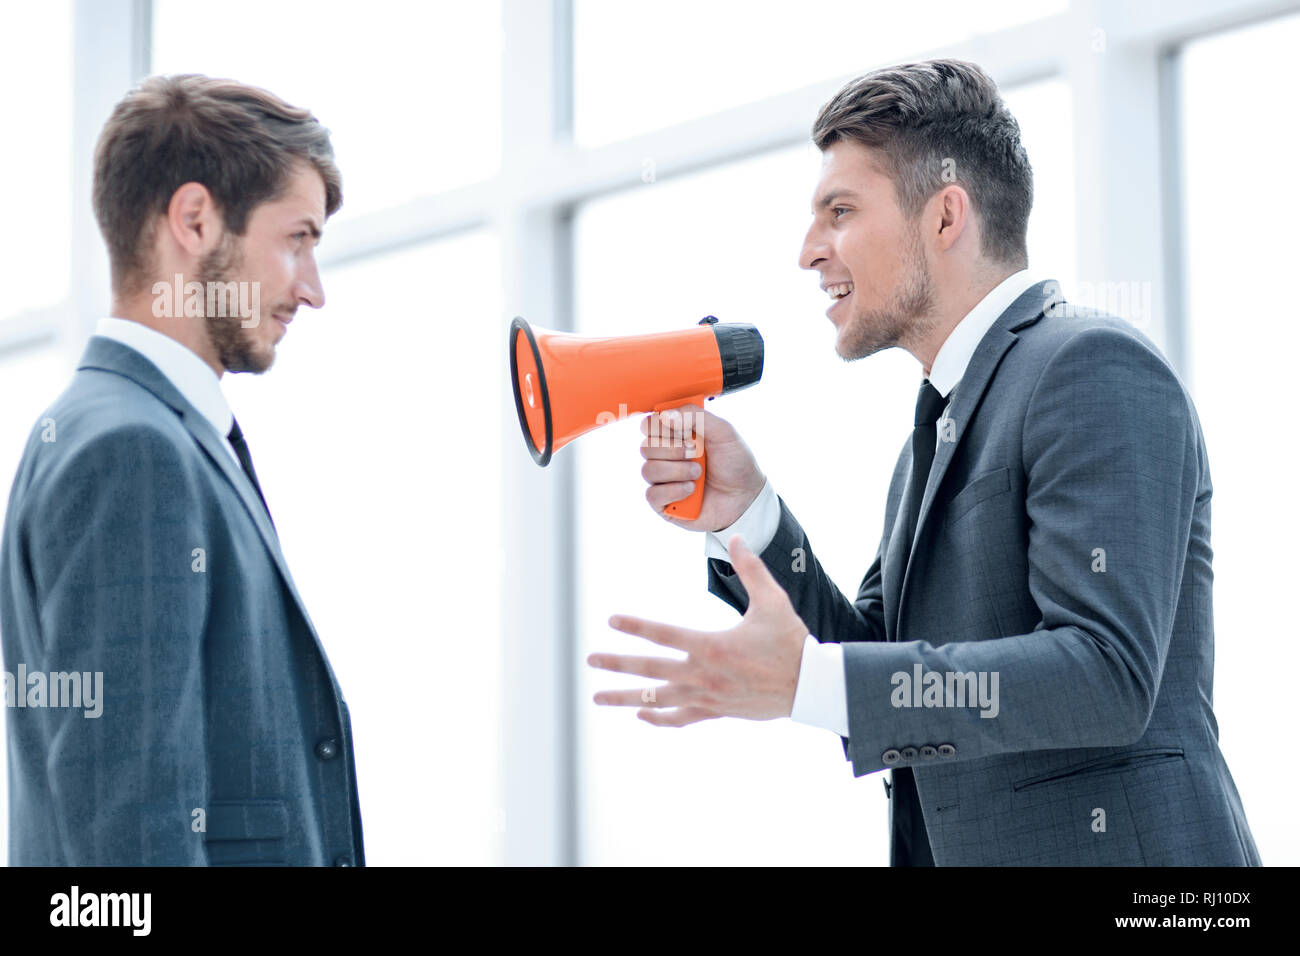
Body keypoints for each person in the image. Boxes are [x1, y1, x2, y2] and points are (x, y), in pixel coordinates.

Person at [588, 58, 1259, 866]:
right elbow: (873, 656)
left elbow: (1104, 672)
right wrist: (746, 513)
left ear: (945, 217)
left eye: (839, 211)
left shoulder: (1091, 367)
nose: (808, 251)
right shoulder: (934, 432)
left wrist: (811, 684)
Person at [0, 74, 363, 865]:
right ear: (195, 219)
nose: (313, 289)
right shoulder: (131, 451)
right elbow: (129, 835)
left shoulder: (131, 431)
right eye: (296, 239)